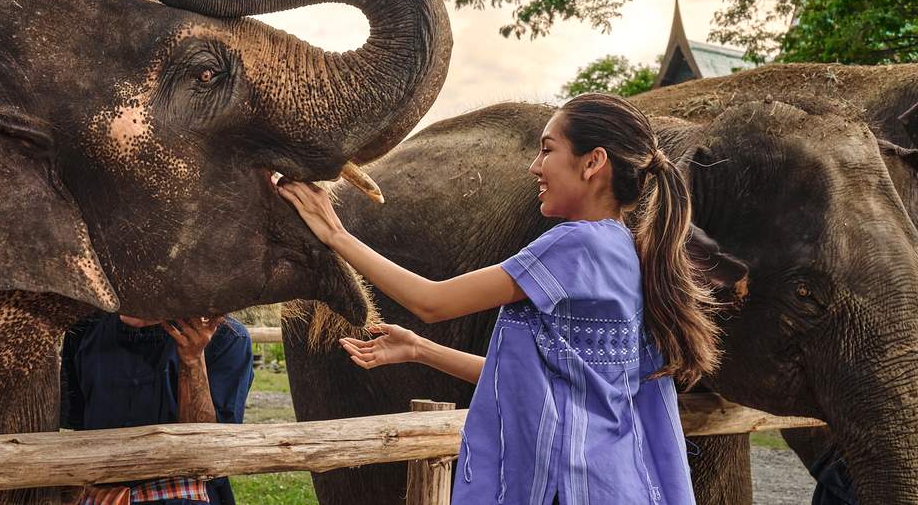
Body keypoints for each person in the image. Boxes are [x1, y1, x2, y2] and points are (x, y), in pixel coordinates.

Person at [277, 93, 720, 504]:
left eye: (548, 149)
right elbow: (538, 381)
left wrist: (334, 232)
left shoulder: (575, 245)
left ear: (592, 163)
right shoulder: (624, 249)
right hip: (613, 484)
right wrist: (419, 349)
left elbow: (432, 301)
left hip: (563, 486)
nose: (534, 166)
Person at [61, 313, 254, 505]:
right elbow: (78, 427)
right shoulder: (84, 329)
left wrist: (193, 361)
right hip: (98, 497)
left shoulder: (227, 336)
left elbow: (211, 453)